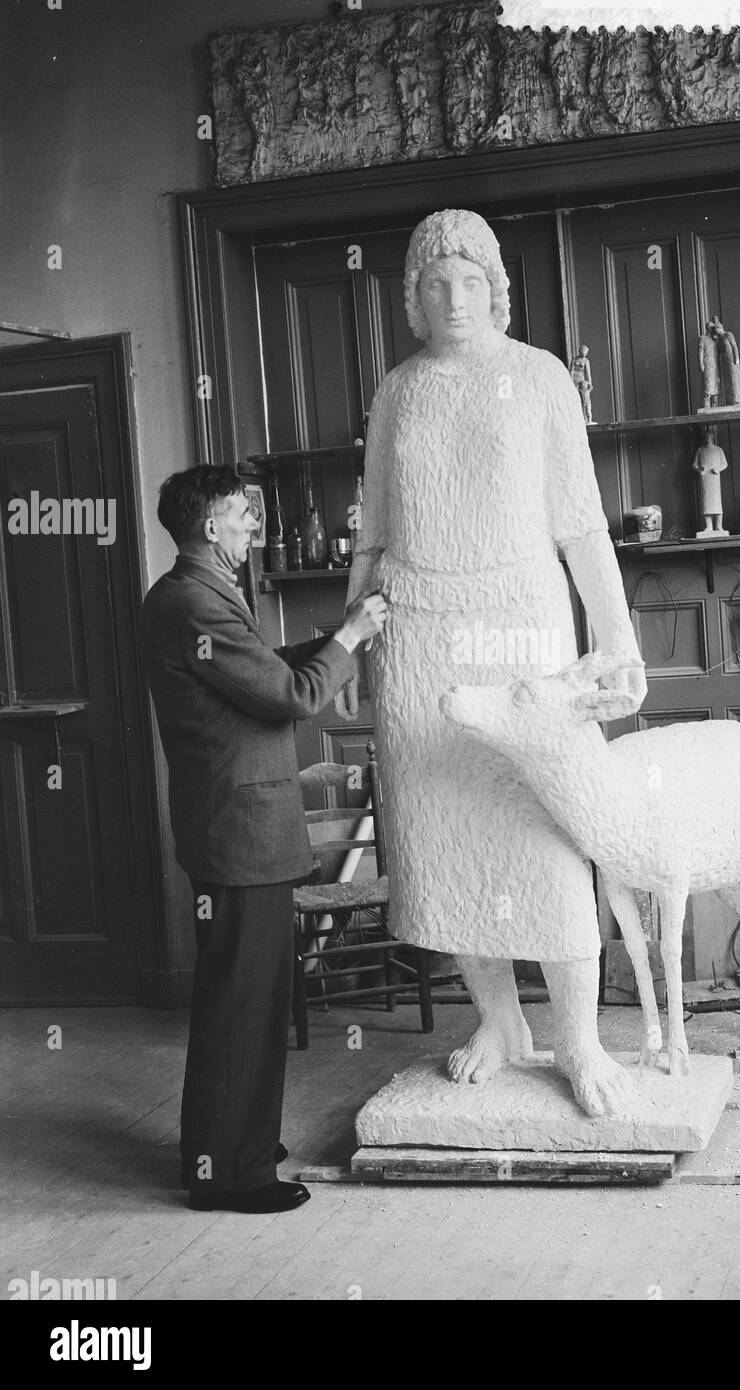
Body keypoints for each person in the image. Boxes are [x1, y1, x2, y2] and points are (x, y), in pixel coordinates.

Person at [335, 209, 647, 1118]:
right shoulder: (398, 389)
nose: (453, 299)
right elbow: (373, 528)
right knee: (445, 837)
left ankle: (579, 1039)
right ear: (412, 300)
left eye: (470, 281)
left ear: (497, 290)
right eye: (434, 284)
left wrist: (615, 635)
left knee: (538, 835)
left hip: (520, 624)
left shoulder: (538, 377)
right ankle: (500, 1022)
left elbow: (580, 521)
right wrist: (350, 638)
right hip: (418, 628)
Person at [140, 467, 386, 1213]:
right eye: (242, 514)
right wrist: (348, 637)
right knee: (242, 1006)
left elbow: (259, 671)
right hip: (239, 833)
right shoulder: (196, 603)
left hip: (235, 827)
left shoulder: (190, 593)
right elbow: (289, 696)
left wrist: (327, 641)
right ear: (209, 527)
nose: (254, 524)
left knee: (245, 1000)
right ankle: (230, 1175)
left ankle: (224, 1148)